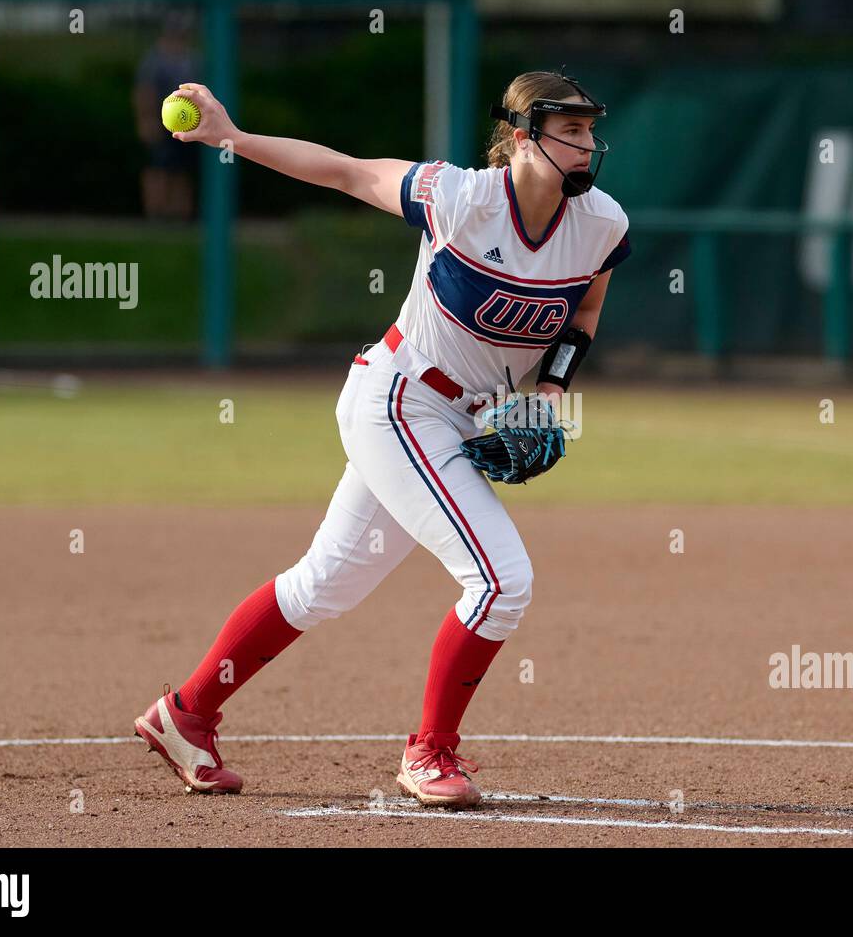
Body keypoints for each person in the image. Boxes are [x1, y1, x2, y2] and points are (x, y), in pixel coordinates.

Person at [134, 70, 631, 808]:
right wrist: (231, 138)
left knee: (324, 583)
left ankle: (184, 715)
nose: (587, 145)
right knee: (500, 581)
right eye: (570, 130)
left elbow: (585, 311)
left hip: (460, 418)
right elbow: (344, 171)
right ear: (523, 138)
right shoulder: (459, 199)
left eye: (590, 130)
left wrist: (552, 391)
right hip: (398, 401)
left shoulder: (602, 224)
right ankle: (430, 753)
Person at [133, 14, 199, 220]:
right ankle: (157, 215)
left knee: (182, 171)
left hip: (188, 125)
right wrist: (146, 120)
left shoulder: (193, 59)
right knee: (159, 168)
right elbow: (144, 92)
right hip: (161, 124)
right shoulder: (153, 61)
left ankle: (180, 216)